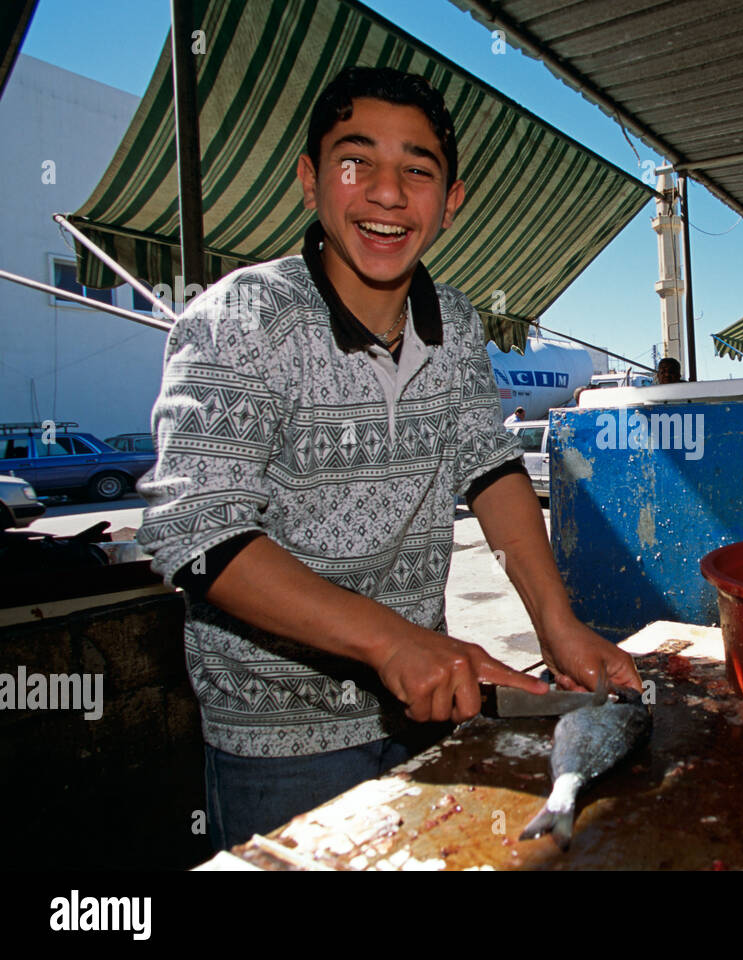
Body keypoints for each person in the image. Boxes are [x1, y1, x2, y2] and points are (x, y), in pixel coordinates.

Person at [136, 66, 640, 850]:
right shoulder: (242, 317)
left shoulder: (458, 324)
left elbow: (490, 467)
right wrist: (389, 639)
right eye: (355, 161)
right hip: (278, 740)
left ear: (451, 201)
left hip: (425, 711)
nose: (386, 193)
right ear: (310, 180)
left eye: (417, 170)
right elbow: (196, 533)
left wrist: (556, 623)